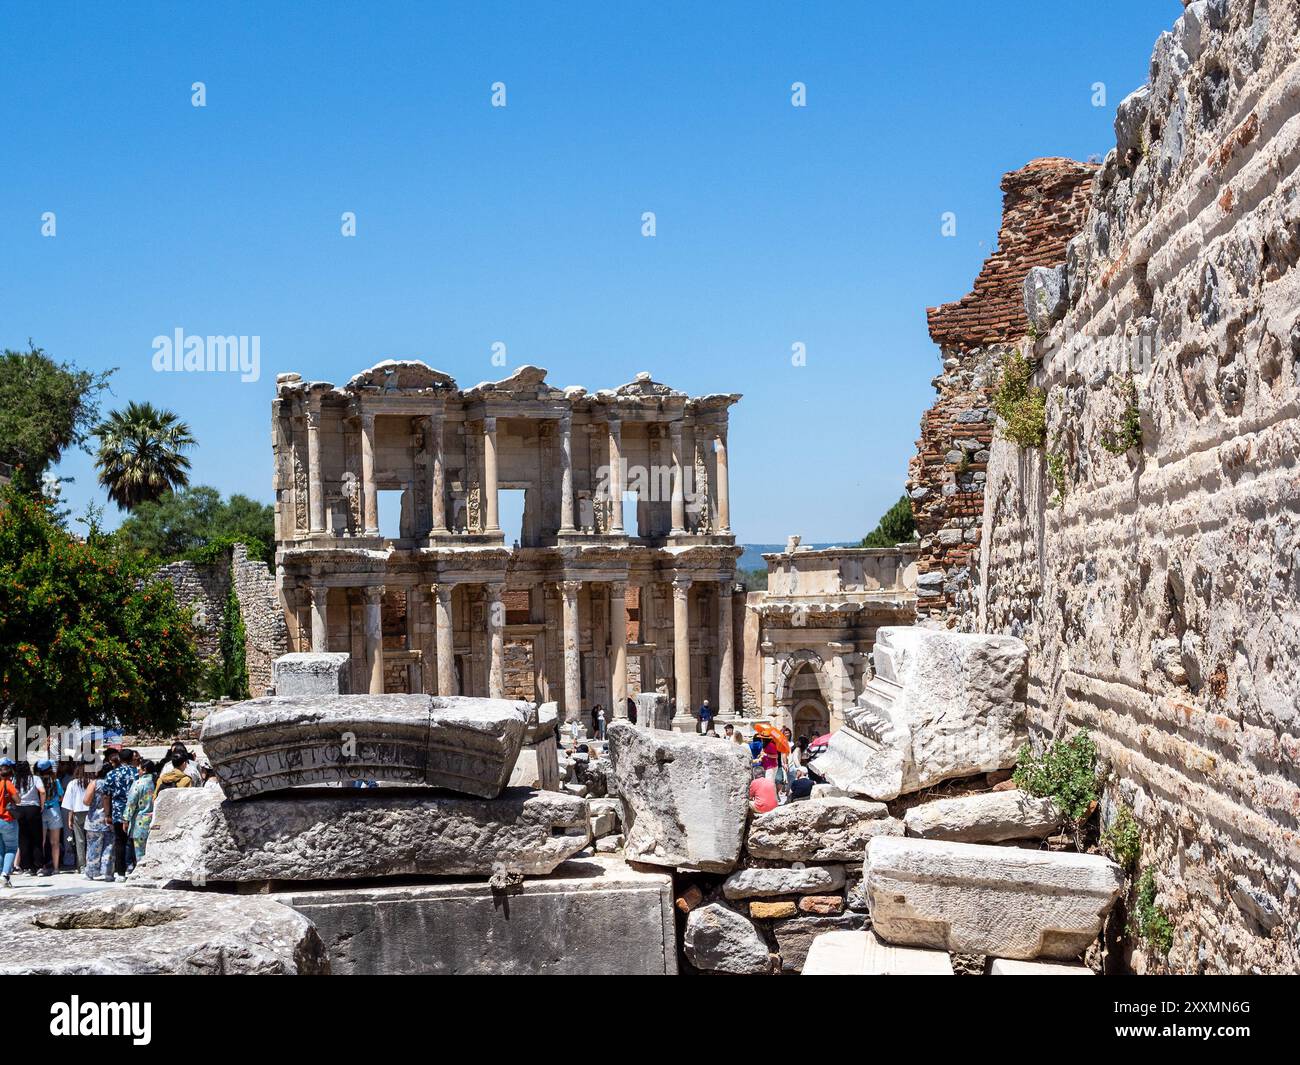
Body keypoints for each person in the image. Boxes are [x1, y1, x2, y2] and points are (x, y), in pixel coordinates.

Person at [104, 748, 139, 881]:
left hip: (118, 812)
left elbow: (106, 795)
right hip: (135, 812)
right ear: (132, 758)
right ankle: (136, 869)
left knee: (120, 842)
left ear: (119, 758)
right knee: (135, 841)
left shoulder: (112, 774)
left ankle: (121, 873)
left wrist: (107, 814)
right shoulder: (137, 773)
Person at [83, 767, 114, 881]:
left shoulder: (95, 783)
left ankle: (91, 872)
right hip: (109, 818)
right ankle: (108, 872)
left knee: (93, 847)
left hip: (94, 819)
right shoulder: (111, 782)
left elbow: (86, 801)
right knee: (109, 846)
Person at [15, 760, 45, 876]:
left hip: (20, 809)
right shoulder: (35, 778)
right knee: (37, 838)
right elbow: (42, 792)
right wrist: (41, 805)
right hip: (33, 808)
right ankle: (39, 867)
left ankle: (27, 867)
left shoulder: (14, 779)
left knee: (23, 839)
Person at [62, 763, 92, 873]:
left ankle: (82, 865)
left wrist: (69, 818)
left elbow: (70, 804)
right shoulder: (92, 782)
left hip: (77, 813)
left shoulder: (73, 783)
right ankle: (91, 862)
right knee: (91, 839)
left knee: (80, 840)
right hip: (90, 812)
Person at [125, 760, 157, 861]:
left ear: (144, 770)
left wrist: (126, 819)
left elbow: (131, 803)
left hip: (140, 822)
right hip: (155, 819)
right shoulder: (157, 782)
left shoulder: (138, 783)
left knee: (140, 853)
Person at [37, 760, 65, 875]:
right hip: (54, 811)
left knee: (42, 842)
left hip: (41, 811)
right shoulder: (56, 781)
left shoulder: (38, 781)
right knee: (55, 842)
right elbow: (61, 797)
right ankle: (56, 868)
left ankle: (42, 866)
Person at [0, 759, 20, 887]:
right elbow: (17, 800)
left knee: (0, 850)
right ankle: (5, 874)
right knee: (11, 848)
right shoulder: (7, 784)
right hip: (7, 819)